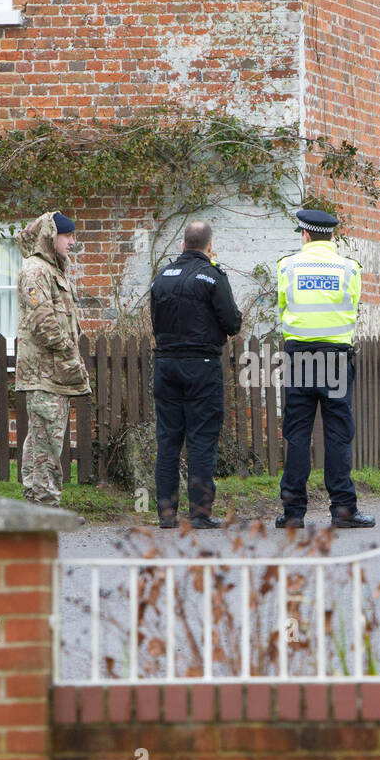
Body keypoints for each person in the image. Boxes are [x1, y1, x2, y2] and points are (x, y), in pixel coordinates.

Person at [275, 208, 374, 529]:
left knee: (298, 434)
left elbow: (283, 305)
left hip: (300, 357)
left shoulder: (287, 267)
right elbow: (354, 305)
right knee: (337, 434)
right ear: (332, 236)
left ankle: (292, 514)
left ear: (305, 235)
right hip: (335, 358)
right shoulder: (350, 269)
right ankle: (343, 510)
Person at [149, 220, 242, 529]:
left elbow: (155, 322)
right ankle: (200, 513)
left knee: (168, 439)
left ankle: (166, 514)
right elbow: (232, 322)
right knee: (202, 439)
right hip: (201, 365)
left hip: (165, 364)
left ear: (182, 245)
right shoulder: (212, 278)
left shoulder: (162, 277)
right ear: (209, 248)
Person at [16, 211, 92, 507]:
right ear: (51, 236)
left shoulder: (51, 269)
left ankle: (35, 505)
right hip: (45, 373)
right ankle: (46, 507)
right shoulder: (36, 271)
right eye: (68, 236)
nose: (72, 242)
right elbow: (42, 320)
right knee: (47, 442)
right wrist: (68, 352)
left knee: (39, 440)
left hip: (52, 373)